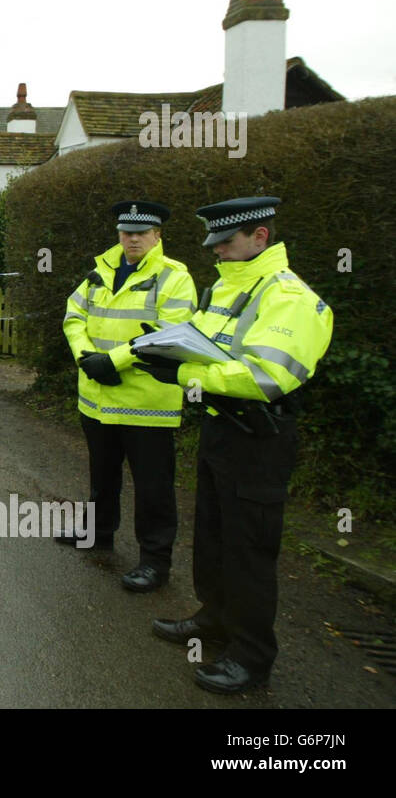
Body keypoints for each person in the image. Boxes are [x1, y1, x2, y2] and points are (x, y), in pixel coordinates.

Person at [135, 196, 333, 694]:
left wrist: (180, 371)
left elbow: (267, 376)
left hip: (259, 438)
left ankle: (251, 656)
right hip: (222, 428)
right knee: (213, 537)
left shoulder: (288, 297)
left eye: (226, 242)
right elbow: (205, 340)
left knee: (249, 549)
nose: (217, 252)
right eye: (214, 243)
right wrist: (160, 342)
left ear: (259, 236)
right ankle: (214, 620)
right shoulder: (227, 285)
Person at [61, 201, 197, 591]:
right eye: (126, 232)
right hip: (97, 398)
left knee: (153, 488)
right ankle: (99, 532)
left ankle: (155, 563)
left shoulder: (174, 277)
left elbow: (170, 335)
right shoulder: (99, 271)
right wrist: (86, 357)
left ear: (157, 235)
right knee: (102, 476)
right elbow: (73, 317)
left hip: (146, 404)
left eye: (141, 232)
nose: (132, 239)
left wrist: (113, 361)